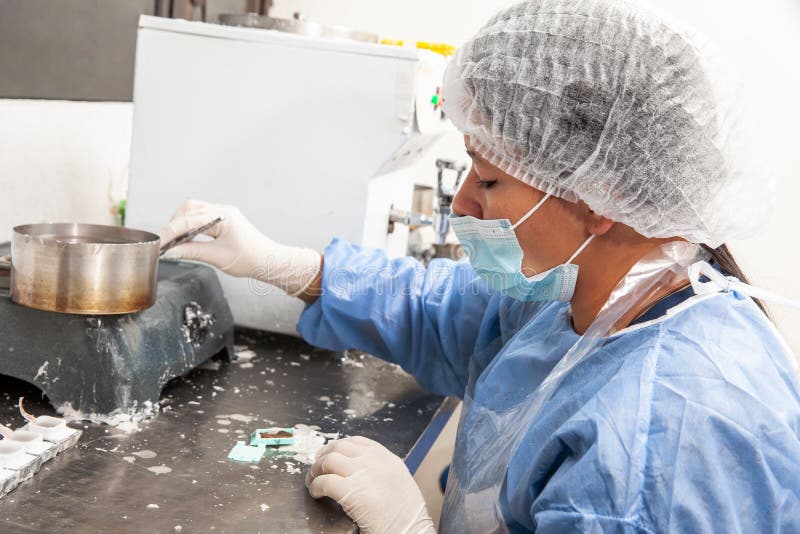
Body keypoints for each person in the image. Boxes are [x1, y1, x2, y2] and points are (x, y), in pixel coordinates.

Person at [160, 0, 800, 531]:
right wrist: (286, 265)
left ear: (600, 200)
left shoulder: (660, 448)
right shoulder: (592, 293)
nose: (462, 200)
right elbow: (443, 311)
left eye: (489, 179)